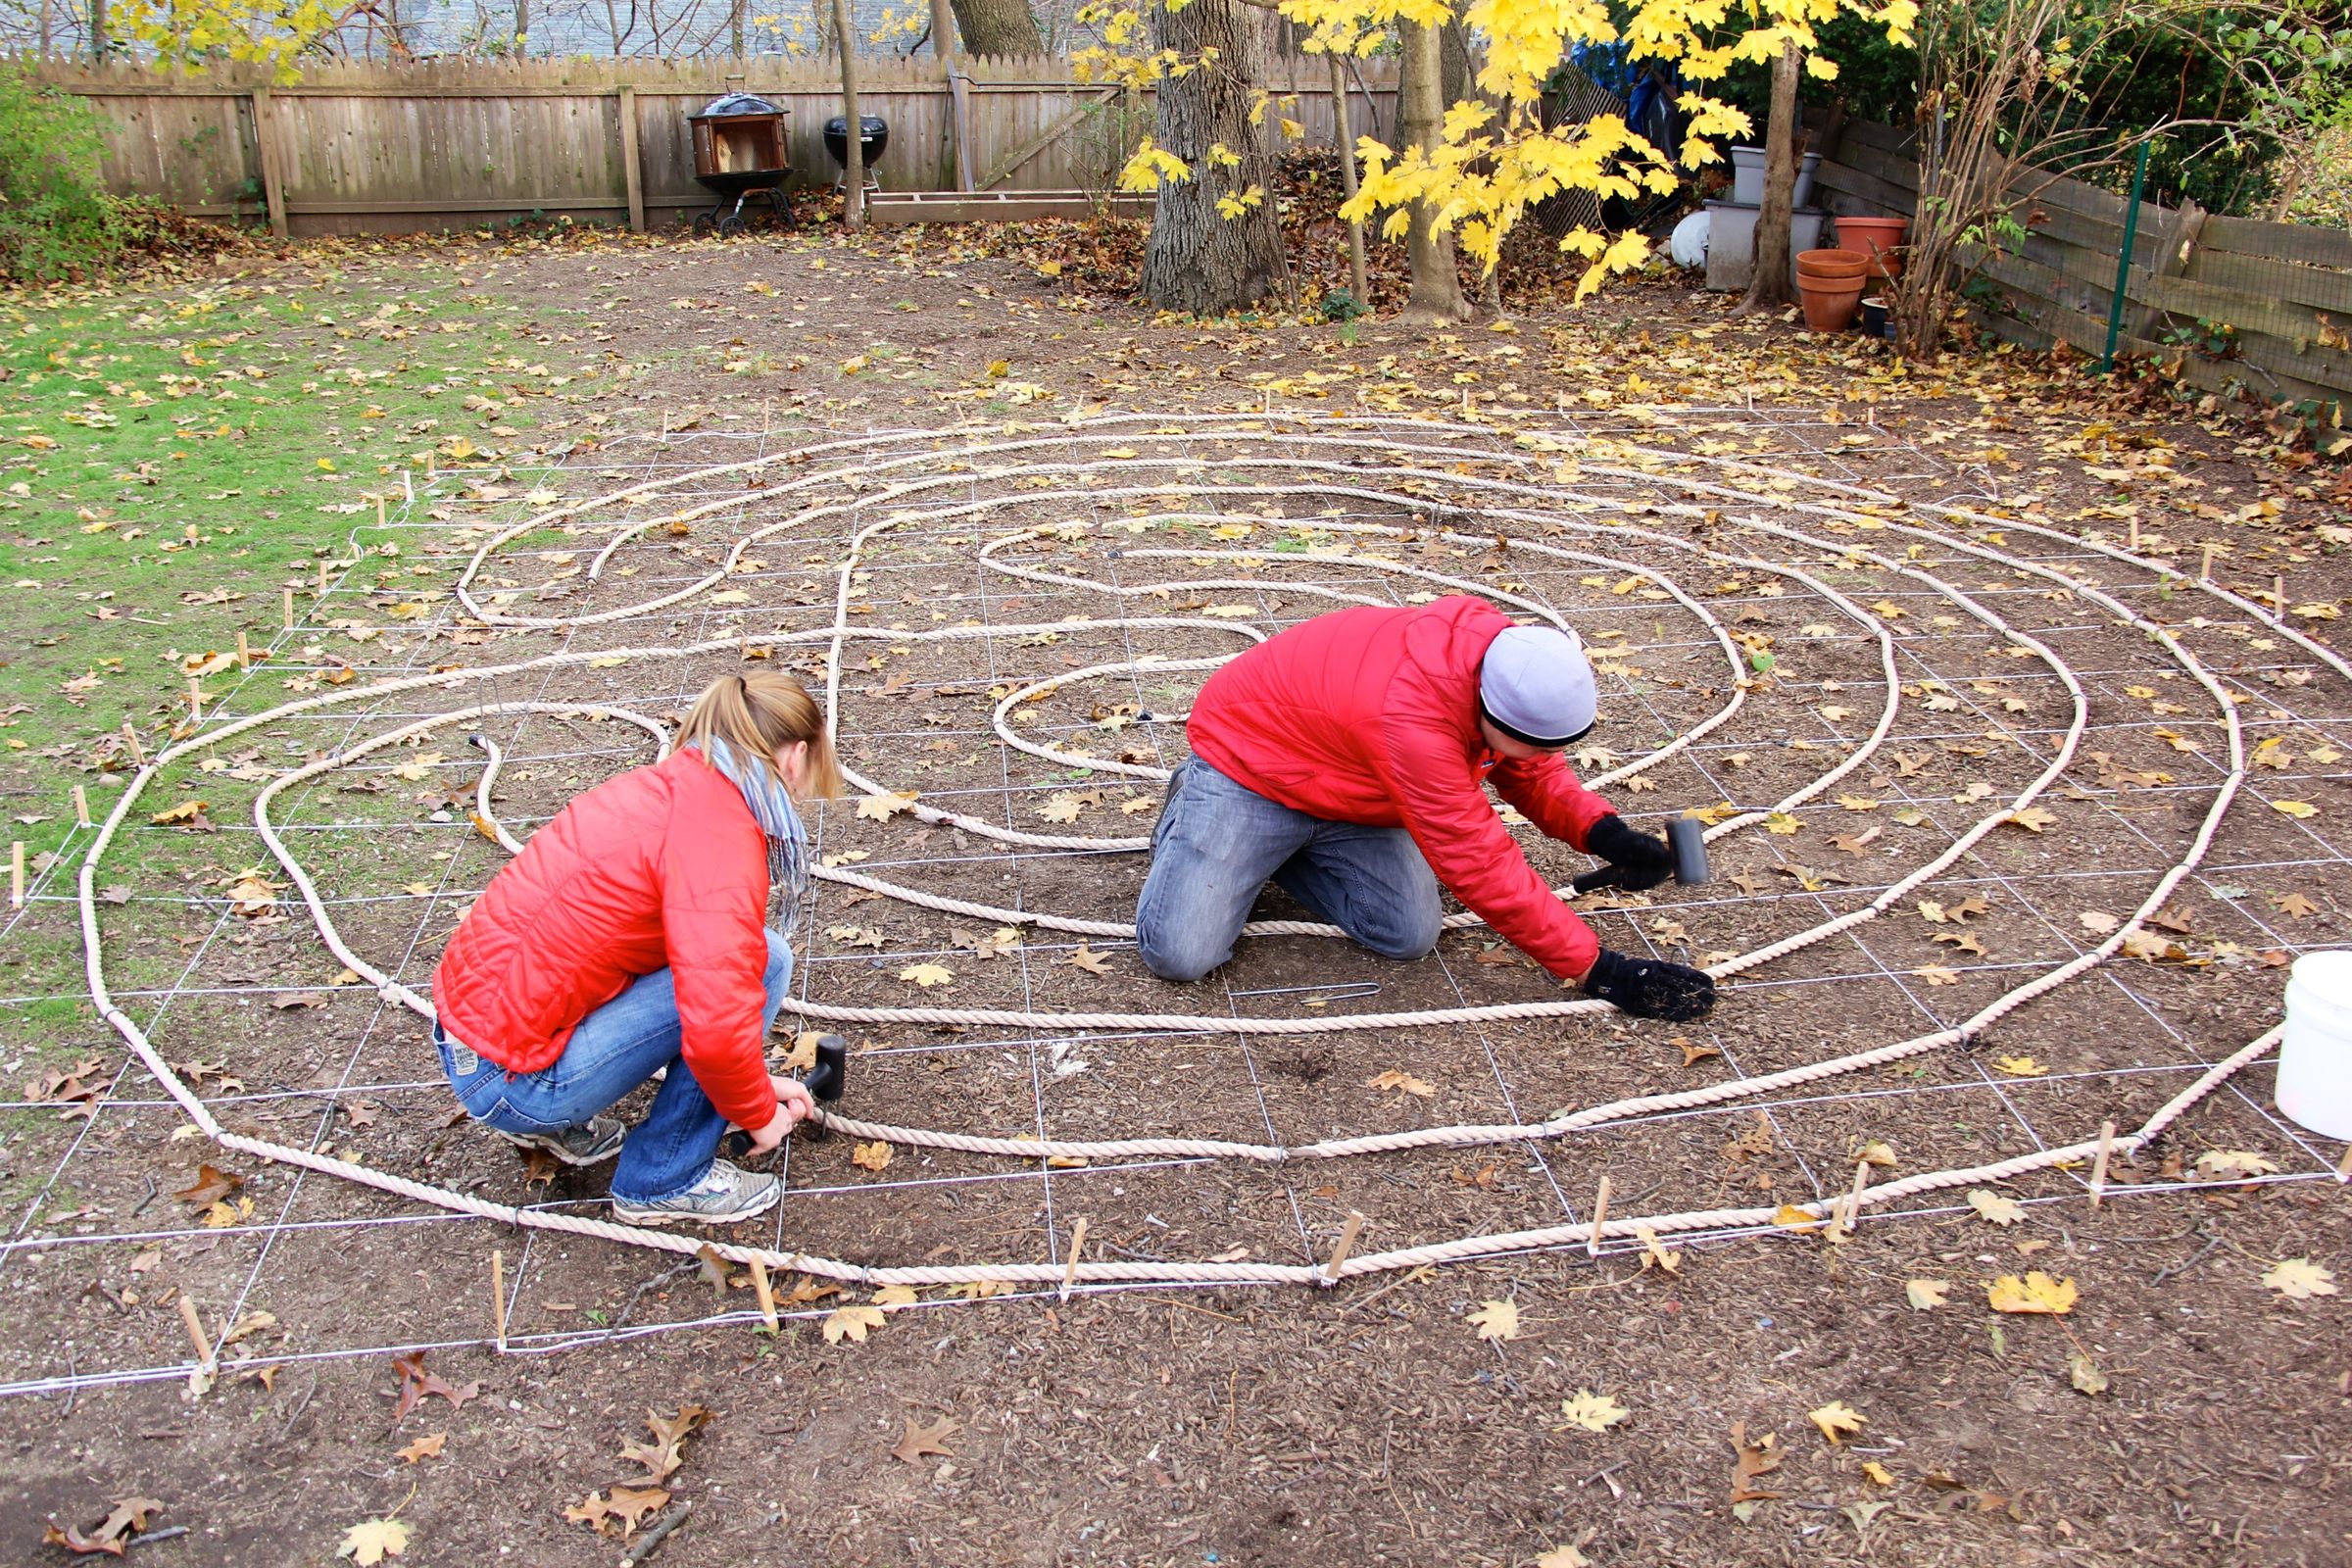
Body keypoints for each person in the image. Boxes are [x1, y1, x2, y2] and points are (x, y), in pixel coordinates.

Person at [1135, 595, 1716, 1022]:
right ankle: (1198, 803)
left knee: (1406, 934)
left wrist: (1603, 833)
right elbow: (1477, 861)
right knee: (1181, 954)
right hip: (1252, 767)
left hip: (1354, 788)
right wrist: (1596, 969)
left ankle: (1274, 853)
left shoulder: (1507, 669)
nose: (1542, 756)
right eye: (1531, 742)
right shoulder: (1411, 722)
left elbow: (1531, 763)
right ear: (1488, 710)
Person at [429, 670, 845, 1226]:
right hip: (510, 1077)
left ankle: (558, 1122)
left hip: (472, 1036)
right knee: (762, 963)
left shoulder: (670, 786)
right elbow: (718, 1018)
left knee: (733, 964)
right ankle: (664, 1178)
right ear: (793, 756)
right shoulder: (718, 837)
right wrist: (756, 1111)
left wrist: (753, 1085)